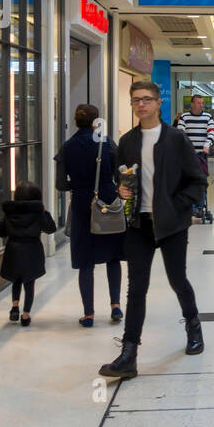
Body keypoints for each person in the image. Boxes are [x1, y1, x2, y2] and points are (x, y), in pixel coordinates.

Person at [99, 81, 209, 380]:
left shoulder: (176, 139)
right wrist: (122, 190)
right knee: (136, 289)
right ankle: (129, 353)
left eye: (147, 99)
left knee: (177, 279)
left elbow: (197, 181)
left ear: (159, 103)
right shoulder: (127, 141)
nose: (141, 105)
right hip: (138, 224)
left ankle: (193, 325)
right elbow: (121, 176)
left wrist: (178, 206)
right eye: (136, 100)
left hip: (172, 224)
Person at [55, 104, 124, 327]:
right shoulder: (107, 143)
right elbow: (120, 172)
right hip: (107, 201)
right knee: (113, 256)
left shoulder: (67, 146)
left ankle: (89, 314)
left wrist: (78, 184)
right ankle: (115, 306)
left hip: (82, 204)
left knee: (86, 261)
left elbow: (60, 184)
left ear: (75, 121)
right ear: (96, 122)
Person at [0, 180, 56, 327]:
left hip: (13, 250)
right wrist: (45, 213)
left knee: (16, 280)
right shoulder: (38, 213)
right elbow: (51, 228)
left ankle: (15, 306)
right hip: (32, 250)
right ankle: (25, 315)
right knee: (29, 283)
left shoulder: (10, 213)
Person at [175, 95, 214, 159]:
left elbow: (211, 133)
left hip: (202, 154)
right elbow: (180, 133)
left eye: (202, 103)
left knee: (202, 169)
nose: (201, 105)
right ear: (192, 104)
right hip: (188, 153)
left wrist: (207, 144)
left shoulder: (208, 117)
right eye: (198, 103)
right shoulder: (184, 116)